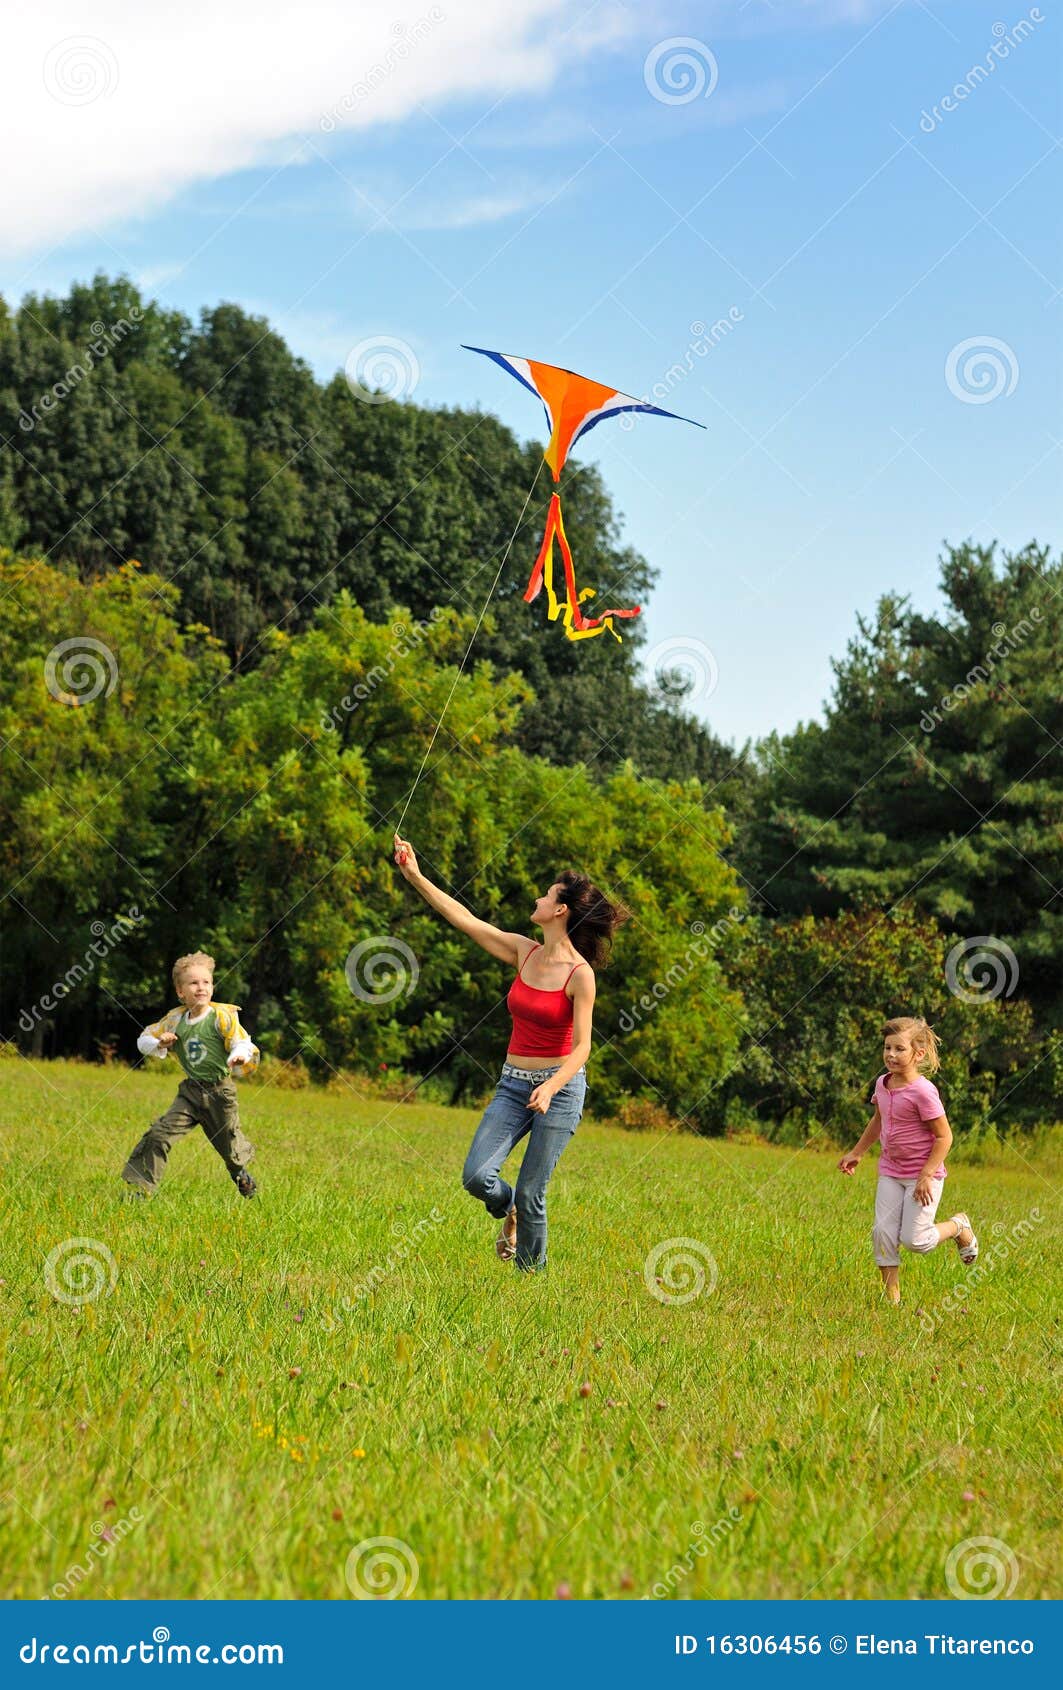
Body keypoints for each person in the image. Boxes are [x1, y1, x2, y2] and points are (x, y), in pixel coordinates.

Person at [393, 833, 627, 1271]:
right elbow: (464, 918)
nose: (538, 897)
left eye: (548, 894)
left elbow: (582, 1048)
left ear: (561, 910)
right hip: (514, 1083)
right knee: (477, 1176)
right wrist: (415, 875)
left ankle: (529, 1280)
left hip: (559, 1092)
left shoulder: (580, 975)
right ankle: (509, 1213)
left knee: (533, 1191)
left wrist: (553, 1085)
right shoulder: (524, 951)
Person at [838, 1016, 979, 1305]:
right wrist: (857, 1152)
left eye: (899, 1049)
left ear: (918, 1053)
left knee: (916, 1241)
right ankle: (892, 1299)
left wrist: (926, 1175)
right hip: (890, 1171)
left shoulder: (923, 1091)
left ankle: (958, 1226)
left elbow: (945, 1137)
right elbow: (878, 1120)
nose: (890, 1054)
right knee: (882, 1232)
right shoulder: (882, 1083)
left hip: (922, 1176)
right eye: (887, 1048)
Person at [121, 951, 260, 1198]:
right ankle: (142, 1190)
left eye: (206, 982)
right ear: (180, 991)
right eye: (193, 983)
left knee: (230, 1148)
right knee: (158, 1135)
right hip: (190, 1093)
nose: (201, 988)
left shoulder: (221, 1017)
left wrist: (238, 1054)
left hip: (220, 1093)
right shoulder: (174, 1020)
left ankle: (240, 1174)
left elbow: (243, 1041)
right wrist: (159, 1044)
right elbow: (143, 1039)